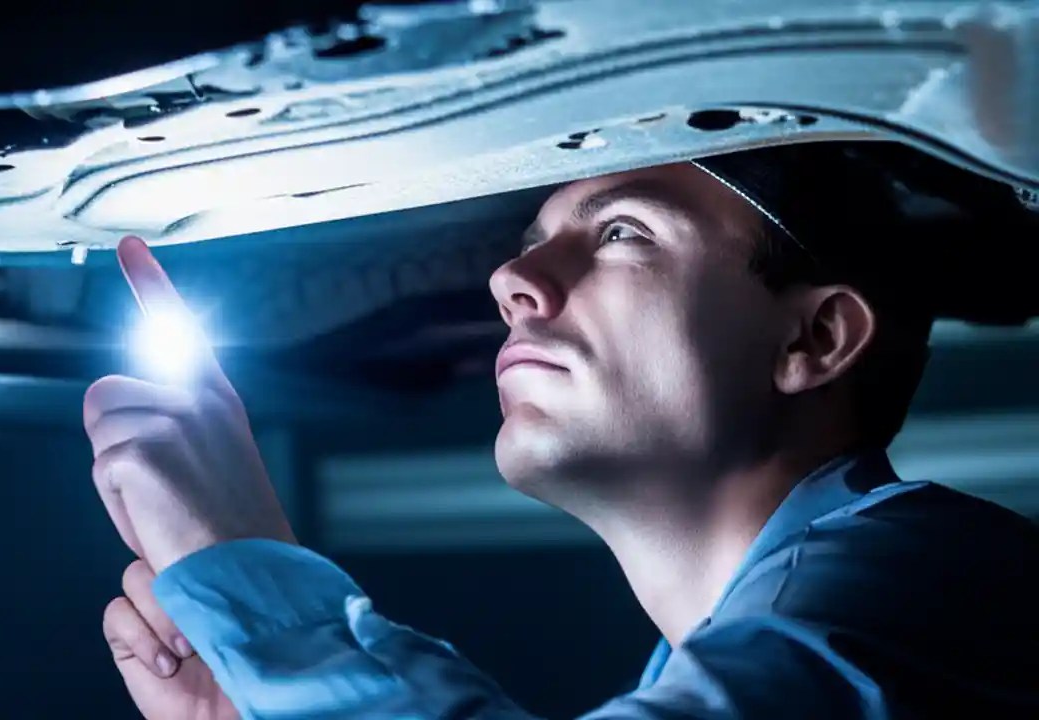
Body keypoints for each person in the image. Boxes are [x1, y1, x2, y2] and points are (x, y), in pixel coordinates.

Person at [85, 142, 1039, 719]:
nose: (513, 281)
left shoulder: (917, 590)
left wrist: (246, 578)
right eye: (535, 242)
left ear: (813, 338)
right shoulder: (792, 636)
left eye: (623, 232)